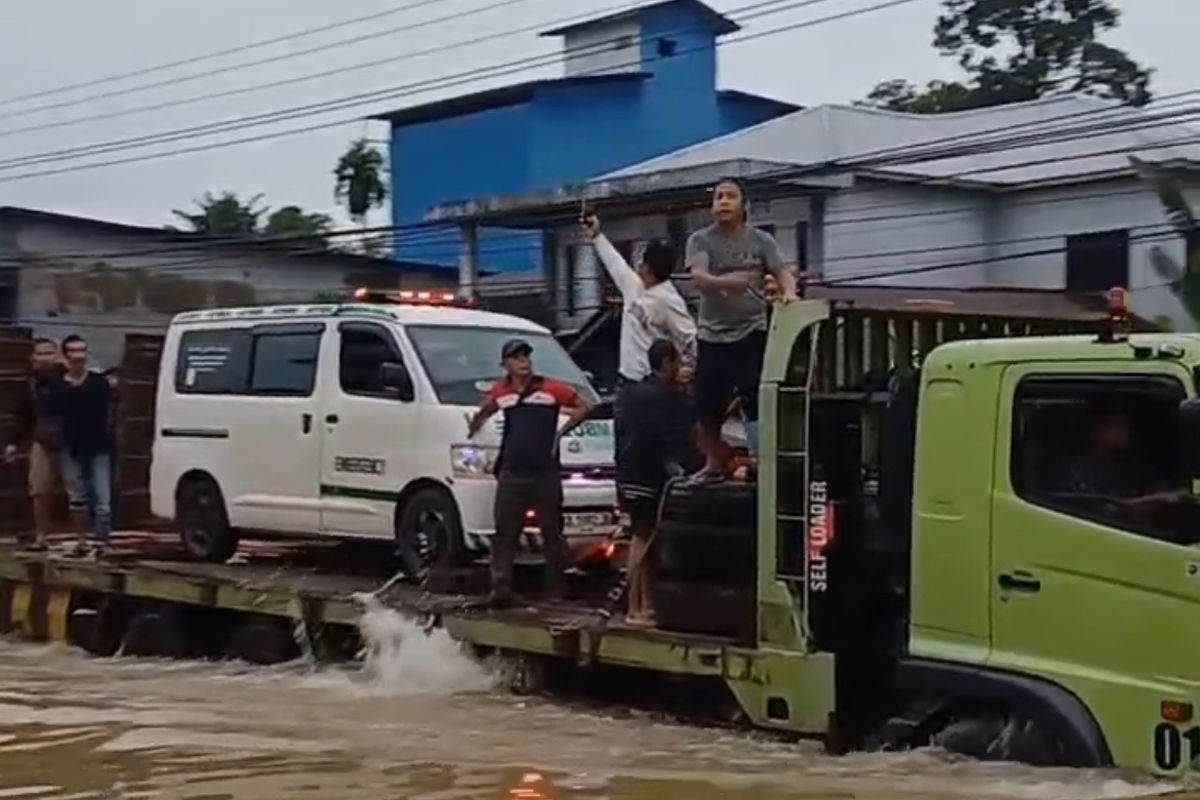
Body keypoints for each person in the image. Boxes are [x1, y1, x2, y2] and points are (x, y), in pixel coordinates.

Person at [467, 338, 592, 607]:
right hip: (512, 470)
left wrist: (561, 432)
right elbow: (486, 410)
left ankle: (557, 588)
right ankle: (501, 589)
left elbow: (584, 405)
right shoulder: (502, 392)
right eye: (517, 357)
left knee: (552, 531)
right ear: (506, 365)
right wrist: (475, 426)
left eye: (526, 357)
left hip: (544, 471)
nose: (524, 362)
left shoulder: (549, 389)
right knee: (505, 532)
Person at [686, 177, 798, 479]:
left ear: (742, 205)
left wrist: (789, 293)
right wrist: (732, 282)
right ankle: (712, 462)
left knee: (754, 397)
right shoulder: (700, 240)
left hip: (751, 329)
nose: (723, 202)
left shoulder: (761, 241)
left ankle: (761, 458)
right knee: (706, 403)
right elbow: (699, 277)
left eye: (730, 196)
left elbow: (782, 272)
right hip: (711, 333)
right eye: (718, 197)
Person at [615, 339, 701, 627]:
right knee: (644, 540)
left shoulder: (630, 393)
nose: (681, 368)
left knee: (643, 538)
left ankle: (642, 605)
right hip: (649, 475)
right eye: (677, 362)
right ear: (667, 363)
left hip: (628, 473)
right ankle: (636, 608)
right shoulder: (666, 398)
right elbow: (680, 437)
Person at [580, 213, 697, 387]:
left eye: (642, 263)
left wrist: (687, 369)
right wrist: (597, 236)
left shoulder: (670, 300)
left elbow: (690, 338)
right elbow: (615, 263)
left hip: (656, 381)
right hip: (628, 378)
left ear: (647, 267)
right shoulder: (633, 286)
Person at [3, 338, 66, 550]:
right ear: (33, 358)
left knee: (79, 491)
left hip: (72, 441)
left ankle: (85, 538)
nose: (45, 358)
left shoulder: (70, 379)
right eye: (40, 354)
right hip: (43, 440)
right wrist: (12, 442)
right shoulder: (30, 384)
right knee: (39, 490)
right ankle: (42, 536)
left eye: (49, 353)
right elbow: (22, 415)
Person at [57, 334, 114, 558]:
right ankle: (81, 541)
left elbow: (110, 411)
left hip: (98, 445)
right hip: (70, 446)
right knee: (77, 498)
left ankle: (102, 543)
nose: (78, 356)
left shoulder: (98, 383)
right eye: (73, 351)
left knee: (103, 499)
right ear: (66, 355)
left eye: (82, 350)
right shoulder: (59, 385)